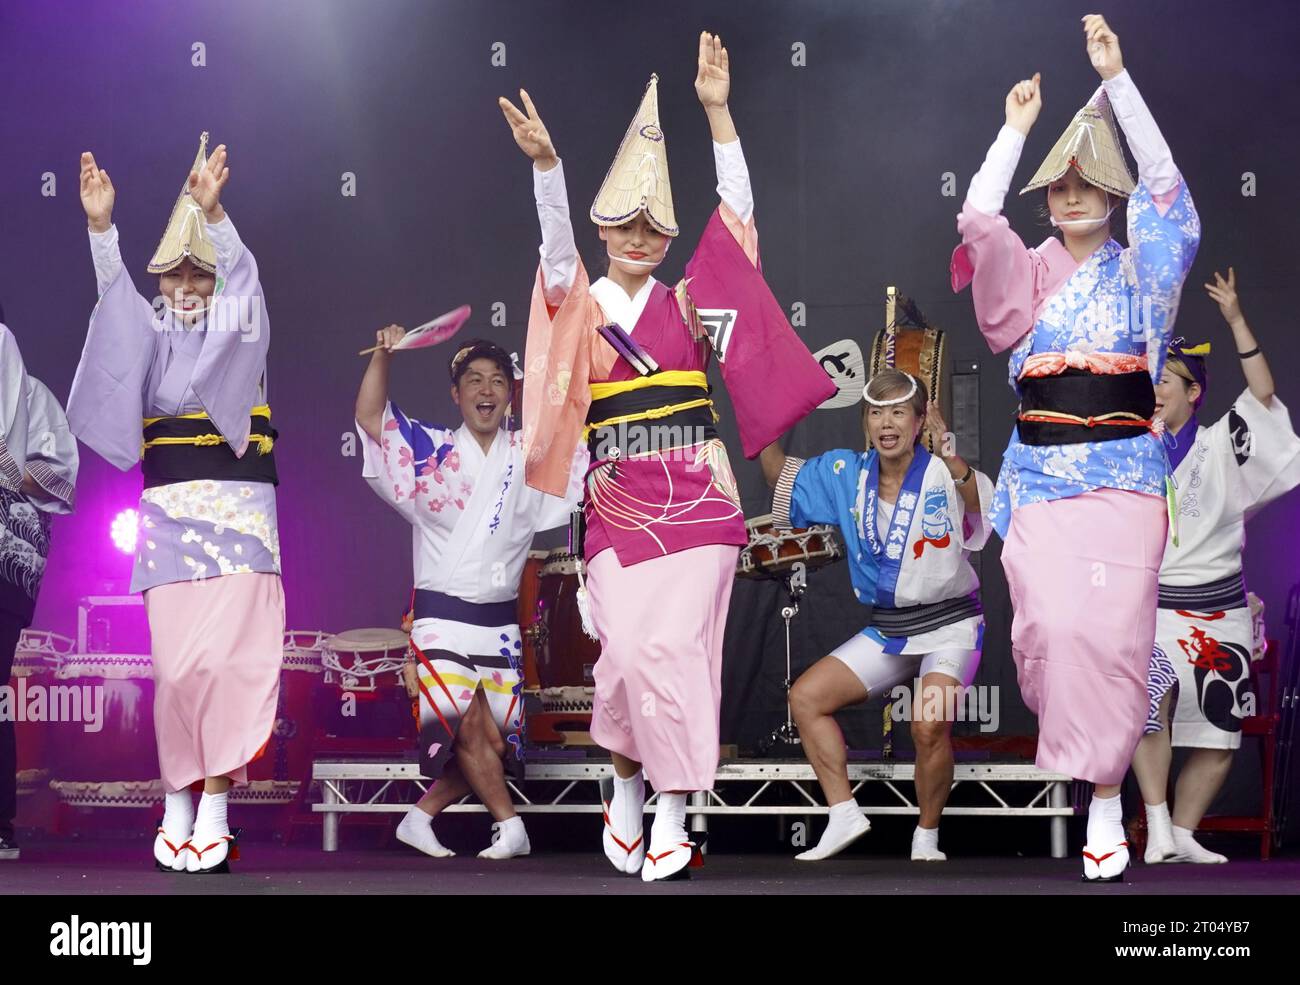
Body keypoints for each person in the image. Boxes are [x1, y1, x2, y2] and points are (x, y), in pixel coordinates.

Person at [501, 32, 834, 880]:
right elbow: (550, 261)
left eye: (657, 224)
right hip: (616, 500)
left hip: (697, 494)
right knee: (623, 658)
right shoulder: (584, 302)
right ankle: (624, 786)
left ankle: (676, 812)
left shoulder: (692, 297)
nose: (643, 235)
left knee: (677, 650)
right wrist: (548, 170)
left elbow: (740, 226)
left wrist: (719, 115)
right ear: (603, 225)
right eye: (627, 222)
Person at [950, 15, 1200, 880]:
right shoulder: (1024, 268)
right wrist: (1016, 130)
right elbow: (979, 218)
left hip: (1126, 475)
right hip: (1043, 482)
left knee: (1116, 634)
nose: (1073, 194)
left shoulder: (1143, 270)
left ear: (1114, 192)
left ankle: (1103, 798)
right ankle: (1090, 765)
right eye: (1059, 184)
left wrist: (1118, 80)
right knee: (1053, 627)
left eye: (1090, 180)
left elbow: (1171, 192)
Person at [69, 134, 283, 874]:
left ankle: (217, 805)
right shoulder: (152, 332)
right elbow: (116, 312)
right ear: (161, 279)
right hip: (169, 519)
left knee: (229, 662)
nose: (188, 285)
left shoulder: (237, 326)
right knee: (180, 669)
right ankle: (178, 800)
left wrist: (214, 214)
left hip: (241, 516)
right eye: (176, 273)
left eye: (201, 271)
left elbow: (247, 280)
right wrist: (104, 232)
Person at [355, 332, 584, 860]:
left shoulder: (532, 456)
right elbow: (371, 418)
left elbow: (582, 428)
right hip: (442, 616)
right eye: (474, 381)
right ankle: (512, 826)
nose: (487, 390)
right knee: (471, 725)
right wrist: (384, 355)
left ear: (511, 394)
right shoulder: (430, 450)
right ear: (456, 394)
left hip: (501, 622)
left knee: (492, 742)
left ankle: (419, 817)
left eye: (499, 381)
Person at [760, 370, 993, 862]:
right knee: (805, 698)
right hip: (890, 630)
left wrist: (951, 454)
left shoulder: (943, 472)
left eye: (898, 413)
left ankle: (926, 834)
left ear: (919, 420)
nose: (886, 423)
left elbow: (980, 510)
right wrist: (770, 418)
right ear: (865, 421)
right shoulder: (848, 473)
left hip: (951, 626)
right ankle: (843, 814)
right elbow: (780, 477)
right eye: (875, 412)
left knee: (928, 726)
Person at [1131, 271, 1300, 863]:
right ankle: (1154, 827)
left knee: (1221, 729)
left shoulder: (1220, 444)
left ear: (1194, 393)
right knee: (1147, 703)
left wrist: (1235, 320)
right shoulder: (1130, 451)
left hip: (1220, 605)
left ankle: (1181, 833)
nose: (1156, 391)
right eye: (1151, 381)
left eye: (1167, 383)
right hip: (1152, 610)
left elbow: (1262, 394)